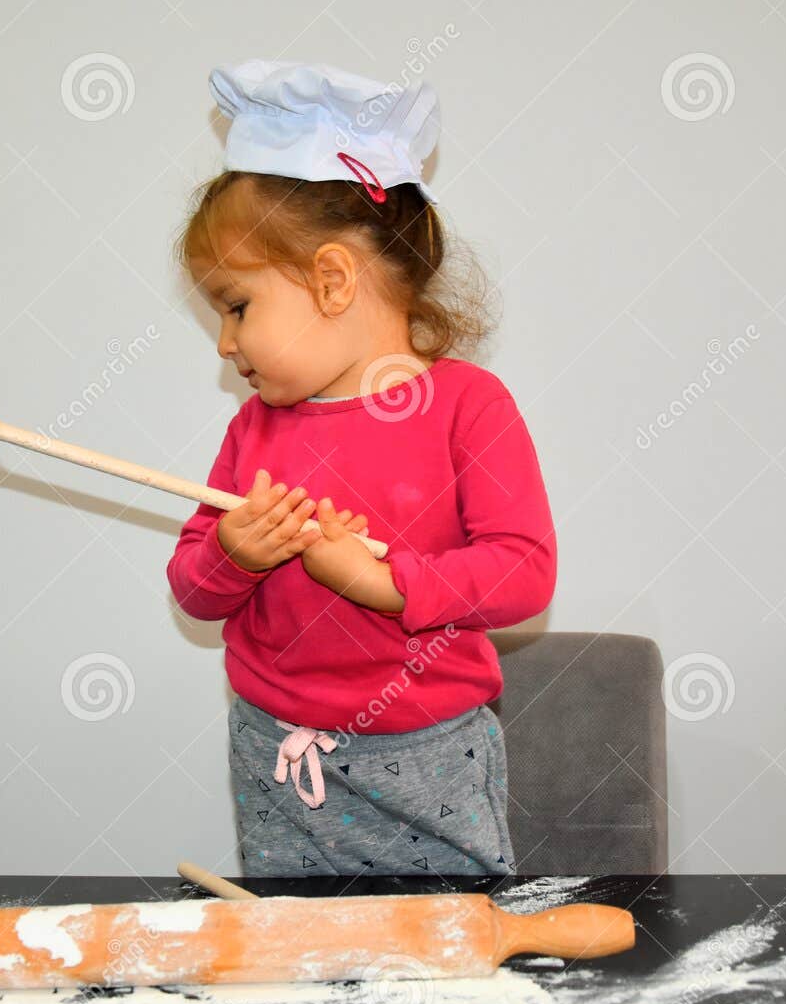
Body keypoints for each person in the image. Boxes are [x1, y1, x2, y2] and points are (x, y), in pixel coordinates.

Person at [166, 59, 557, 876]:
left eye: (237, 306)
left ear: (334, 279)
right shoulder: (255, 425)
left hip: (429, 756)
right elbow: (195, 594)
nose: (225, 343)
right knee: (302, 954)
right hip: (274, 746)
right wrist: (235, 553)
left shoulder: (468, 406)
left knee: (441, 949)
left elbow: (524, 575)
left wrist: (385, 582)